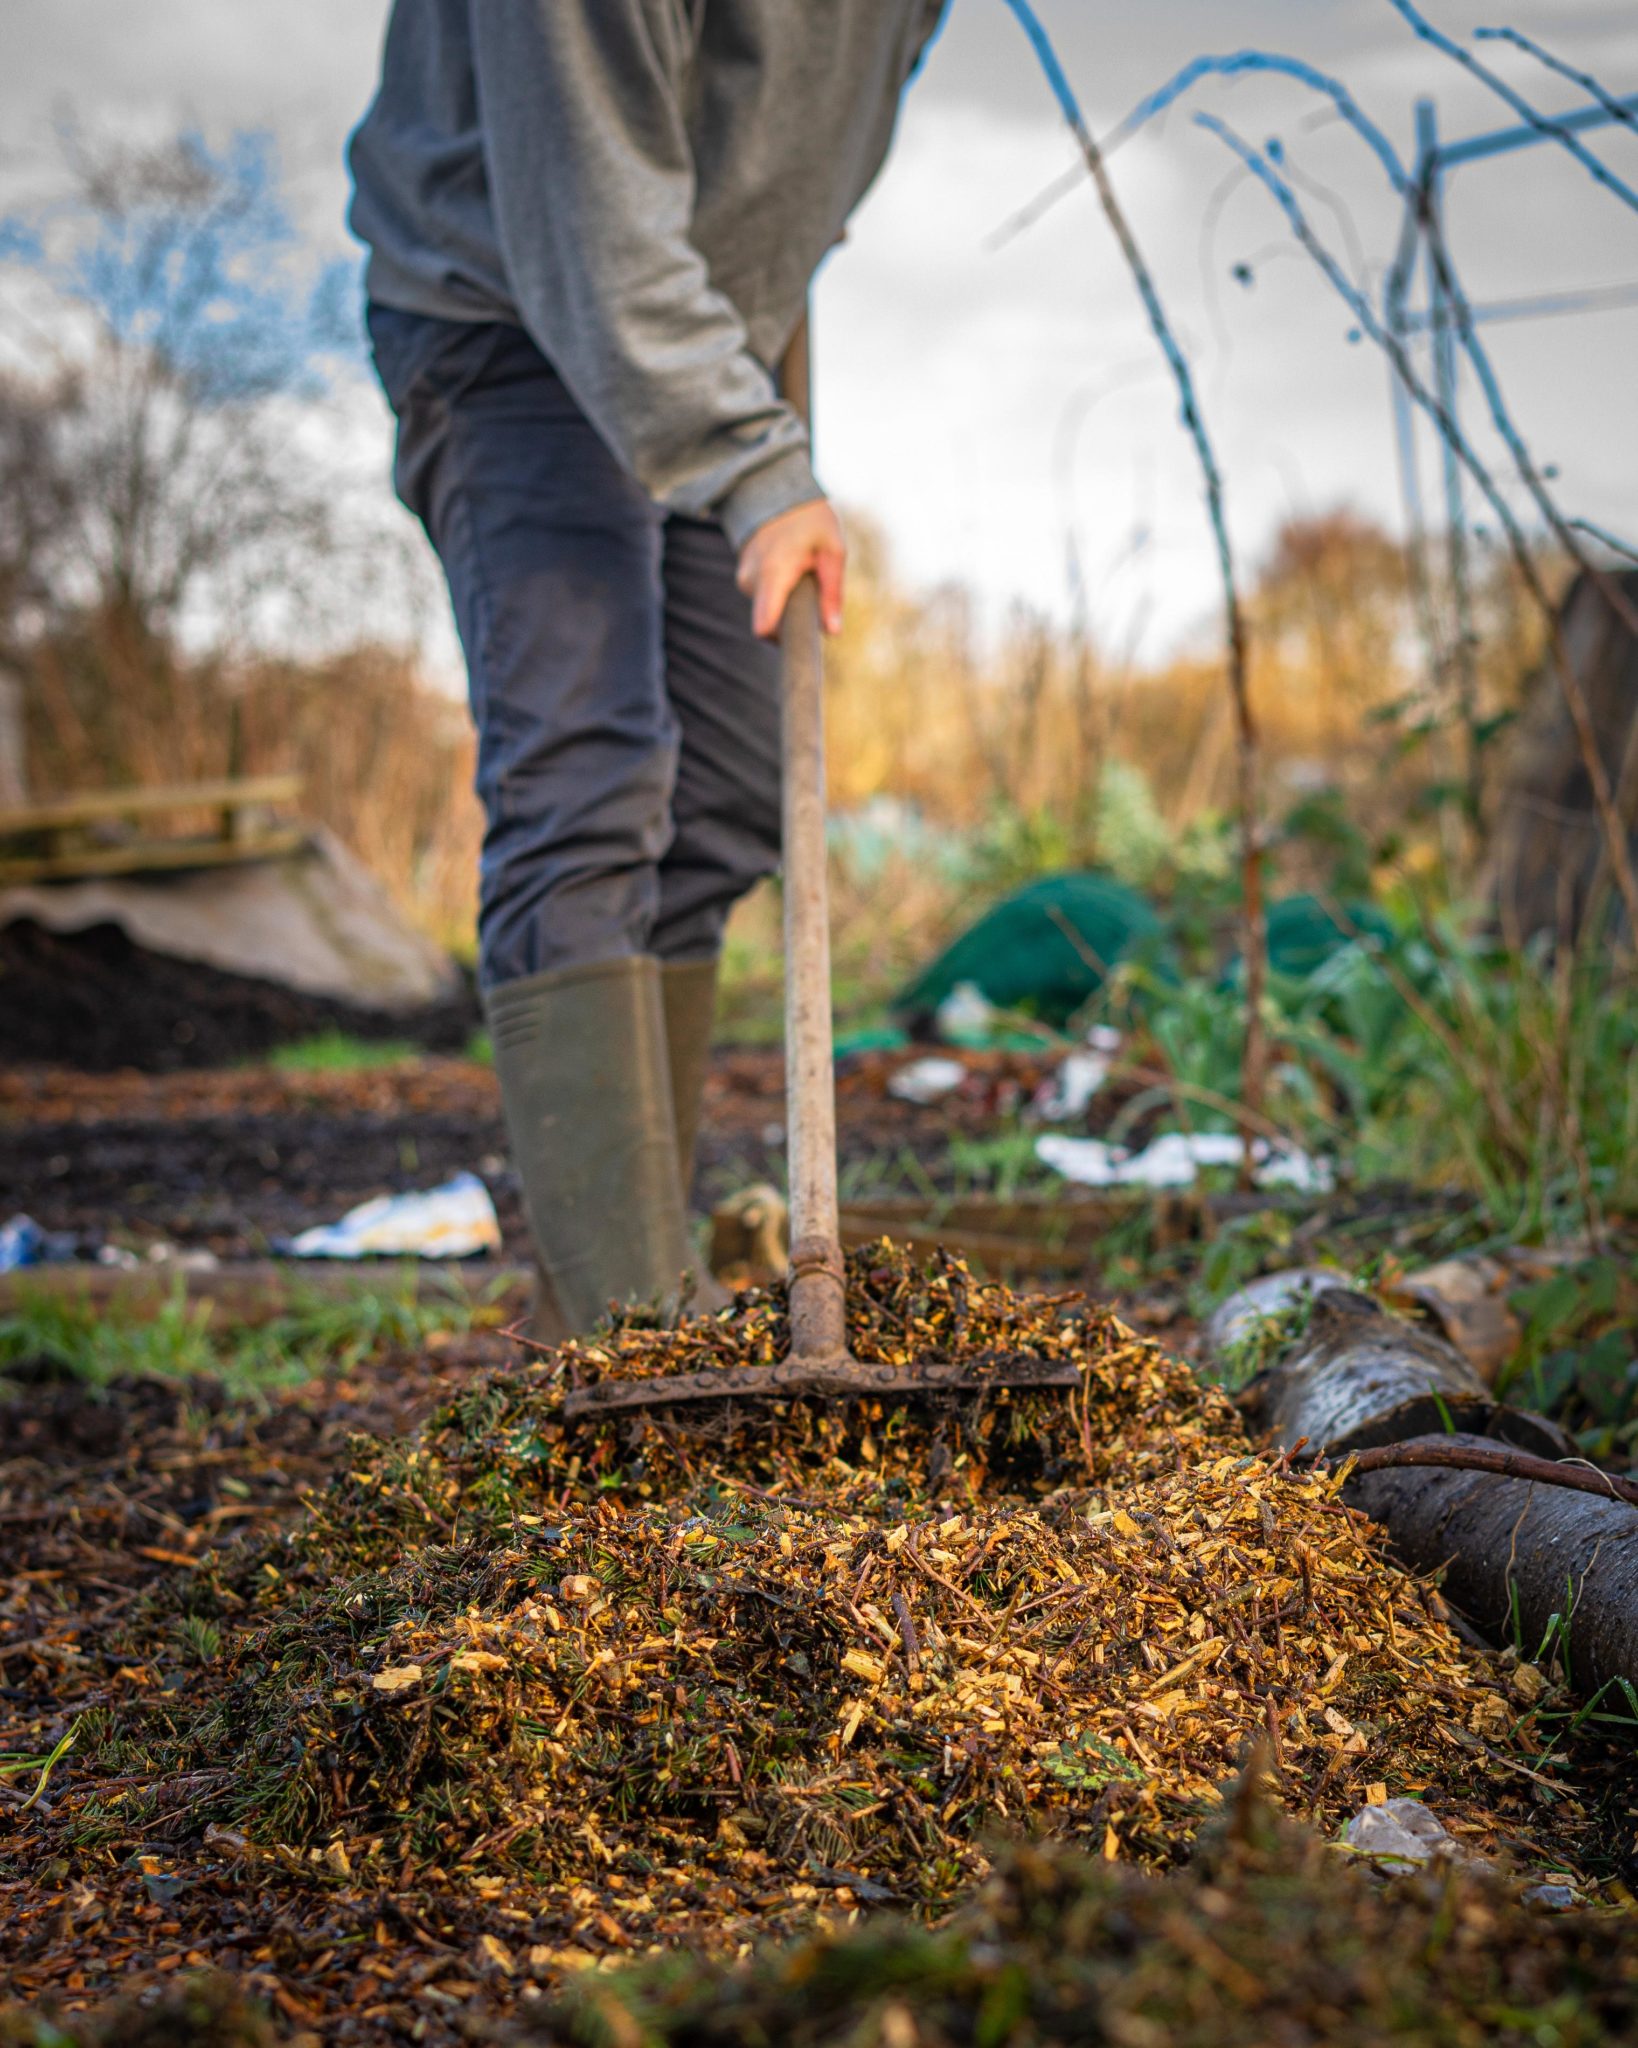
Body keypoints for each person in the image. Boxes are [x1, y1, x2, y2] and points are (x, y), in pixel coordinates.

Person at [349, 1, 947, 1338]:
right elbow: (586, 203)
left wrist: (757, 305)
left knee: (724, 792)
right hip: (511, 308)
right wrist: (750, 458)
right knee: (589, 780)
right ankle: (625, 1332)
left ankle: (635, 1278)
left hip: (700, 327)